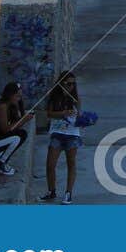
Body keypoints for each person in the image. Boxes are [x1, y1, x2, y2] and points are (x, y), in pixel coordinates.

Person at [41, 71, 81, 204]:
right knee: (50, 164)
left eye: (73, 84)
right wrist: (63, 113)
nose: (71, 87)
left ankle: (68, 193)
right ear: (62, 84)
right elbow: (49, 114)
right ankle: (51, 191)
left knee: (71, 163)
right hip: (57, 133)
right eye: (68, 84)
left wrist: (85, 120)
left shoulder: (76, 99)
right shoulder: (55, 98)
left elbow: (79, 116)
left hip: (72, 134)